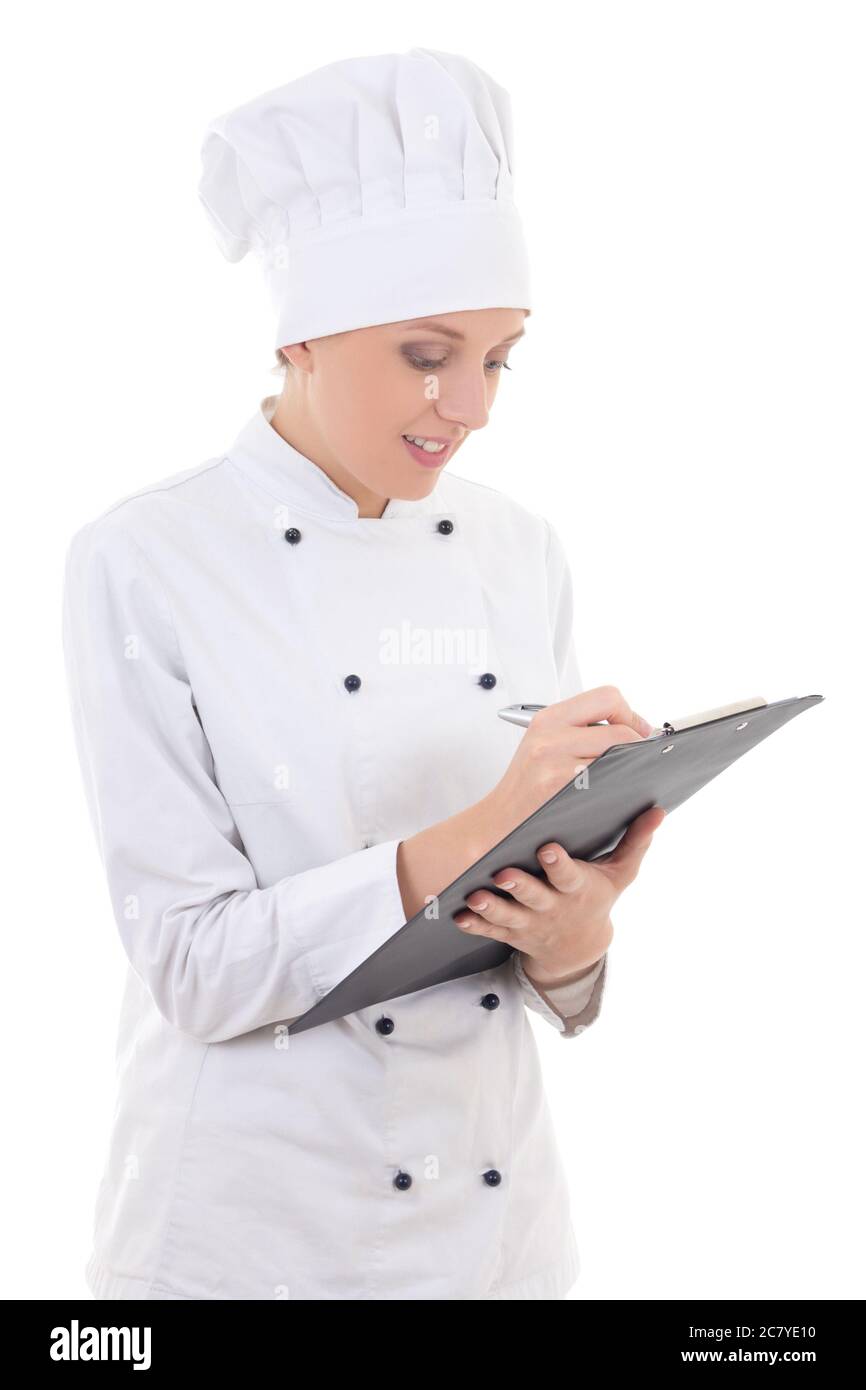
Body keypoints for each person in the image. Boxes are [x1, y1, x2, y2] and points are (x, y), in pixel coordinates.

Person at [62, 46, 664, 1301]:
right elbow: (193, 965)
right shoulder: (148, 558)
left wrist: (573, 940)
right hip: (257, 1233)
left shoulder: (516, 546)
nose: (471, 405)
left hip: (499, 1236)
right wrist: (486, 822)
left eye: (498, 359)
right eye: (425, 353)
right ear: (301, 336)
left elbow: (525, 944)